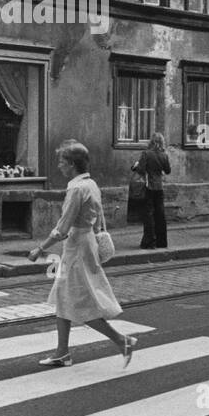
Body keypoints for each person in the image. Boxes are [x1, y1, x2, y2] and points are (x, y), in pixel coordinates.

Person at [27, 141, 137, 368]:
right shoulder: (91, 184)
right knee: (63, 297)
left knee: (81, 301)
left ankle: (121, 341)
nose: (59, 166)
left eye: (61, 162)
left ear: (71, 164)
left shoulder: (76, 189)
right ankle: (62, 352)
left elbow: (62, 228)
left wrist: (41, 248)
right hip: (85, 244)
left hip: (77, 247)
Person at [134, 131, 171, 249]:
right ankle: (162, 242)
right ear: (161, 142)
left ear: (152, 141)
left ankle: (149, 242)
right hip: (159, 187)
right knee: (160, 214)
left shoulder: (146, 153)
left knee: (148, 214)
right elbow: (168, 170)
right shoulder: (164, 155)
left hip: (149, 186)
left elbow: (140, 170)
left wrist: (135, 166)